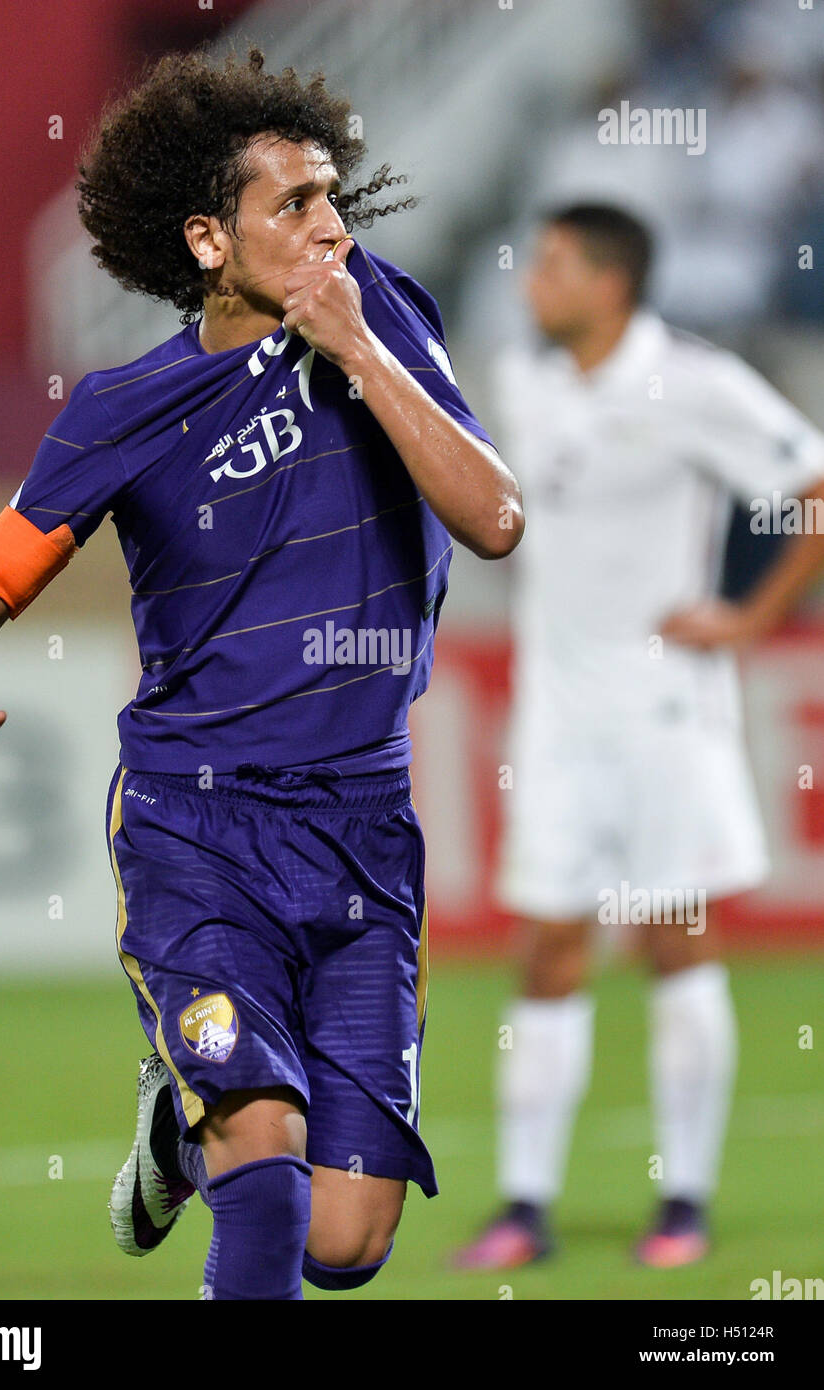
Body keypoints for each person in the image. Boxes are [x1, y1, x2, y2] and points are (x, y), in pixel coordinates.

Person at [0, 48, 523, 1301]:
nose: (326, 227)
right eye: (290, 206)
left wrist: (355, 345)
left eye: (329, 198)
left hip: (361, 823)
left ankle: (171, 1127)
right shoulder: (125, 410)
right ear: (207, 239)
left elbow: (496, 517)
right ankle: (211, 1117)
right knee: (266, 1156)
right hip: (199, 823)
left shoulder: (383, 312)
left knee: (345, 1246)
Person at [454, 203, 824, 1271]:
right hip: (555, 718)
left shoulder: (691, 381)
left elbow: (813, 482)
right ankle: (524, 1206)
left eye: (554, 265)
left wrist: (753, 618)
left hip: (665, 706)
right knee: (549, 947)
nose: (532, 283)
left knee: (674, 936)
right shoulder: (524, 383)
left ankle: (685, 1202)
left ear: (610, 283)